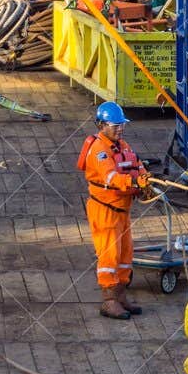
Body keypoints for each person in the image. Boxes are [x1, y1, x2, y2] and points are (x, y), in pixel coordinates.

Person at [78, 101, 149, 321]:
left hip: (122, 210)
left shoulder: (122, 145)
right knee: (109, 256)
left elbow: (136, 163)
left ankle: (120, 296)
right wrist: (134, 183)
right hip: (105, 211)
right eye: (115, 125)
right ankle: (109, 301)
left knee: (125, 254)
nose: (120, 129)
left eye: (122, 125)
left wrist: (145, 178)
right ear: (102, 125)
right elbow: (111, 177)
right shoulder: (98, 151)